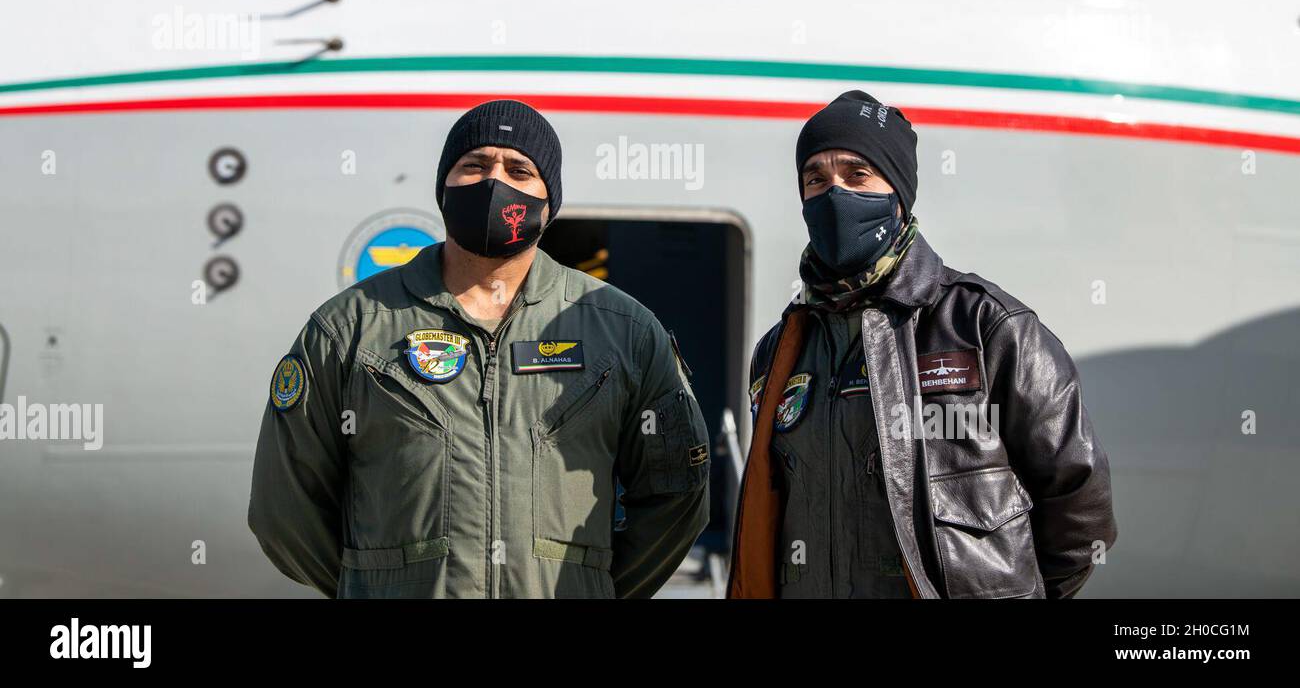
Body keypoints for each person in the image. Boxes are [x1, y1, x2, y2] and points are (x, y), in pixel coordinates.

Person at [249, 99, 710, 598]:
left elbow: (677, 497)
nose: (495, 182)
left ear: (549, 202)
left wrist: (589, 586)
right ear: (442, 189)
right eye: (474, 165)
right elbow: (284, 511)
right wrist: (377, 585)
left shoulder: (623, 331)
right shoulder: (349, 328)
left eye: (519, 170)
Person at [728, 90, 1116, 598]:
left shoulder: (986, 326)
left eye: (856, 175)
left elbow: (1078, 502)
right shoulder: (780, 351)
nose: (834, 194)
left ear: (899, 194)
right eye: (816, 180)